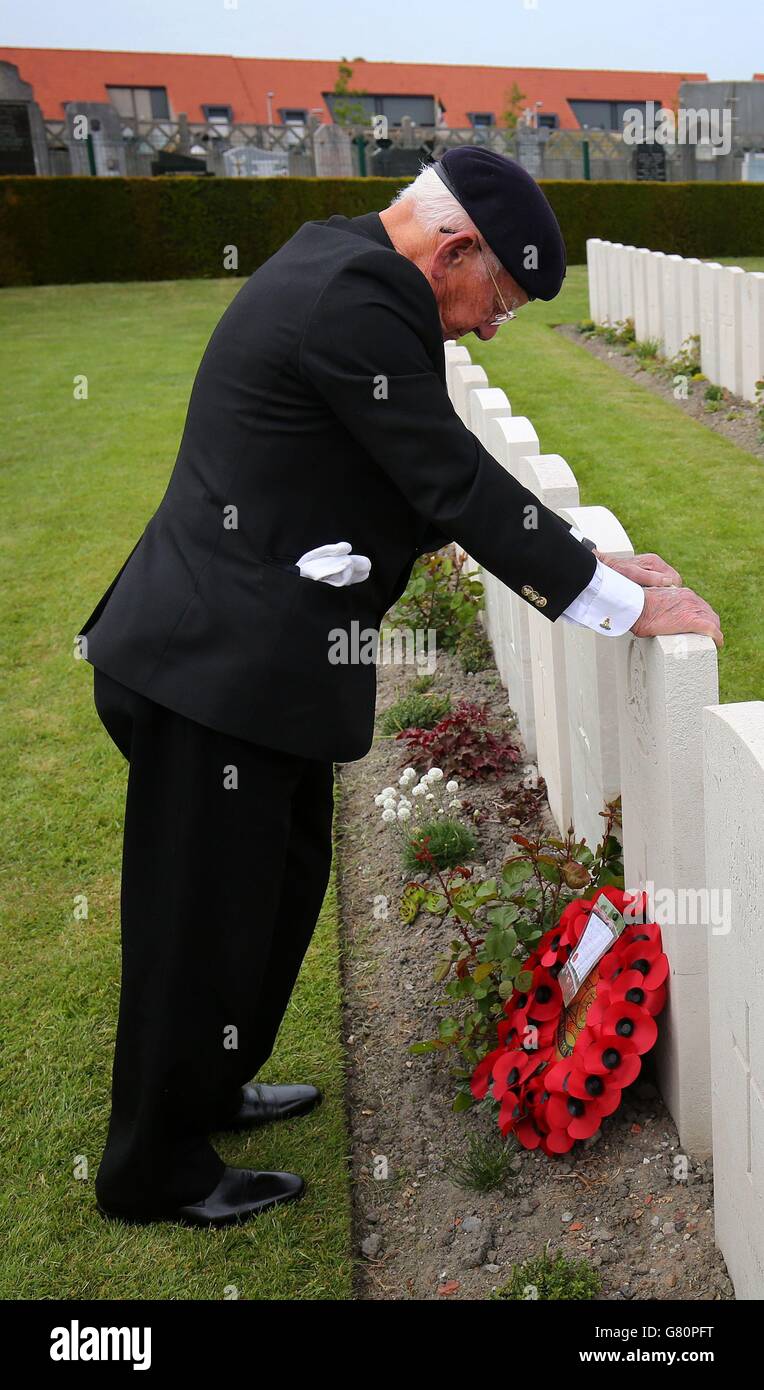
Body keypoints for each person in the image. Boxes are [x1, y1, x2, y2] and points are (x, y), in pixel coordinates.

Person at [78, 147, 722, 1228]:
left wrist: (581, 558)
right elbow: (445, 475)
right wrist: (613, 603)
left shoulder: (346, 264)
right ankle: (152, 1168)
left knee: (268, 898)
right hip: (212, 668)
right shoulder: (358, 296)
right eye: (497, 298)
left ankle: (207, 1087)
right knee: (198, 922)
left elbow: (395, 474)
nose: (487, 324)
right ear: (455, 245)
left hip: (246, 668)